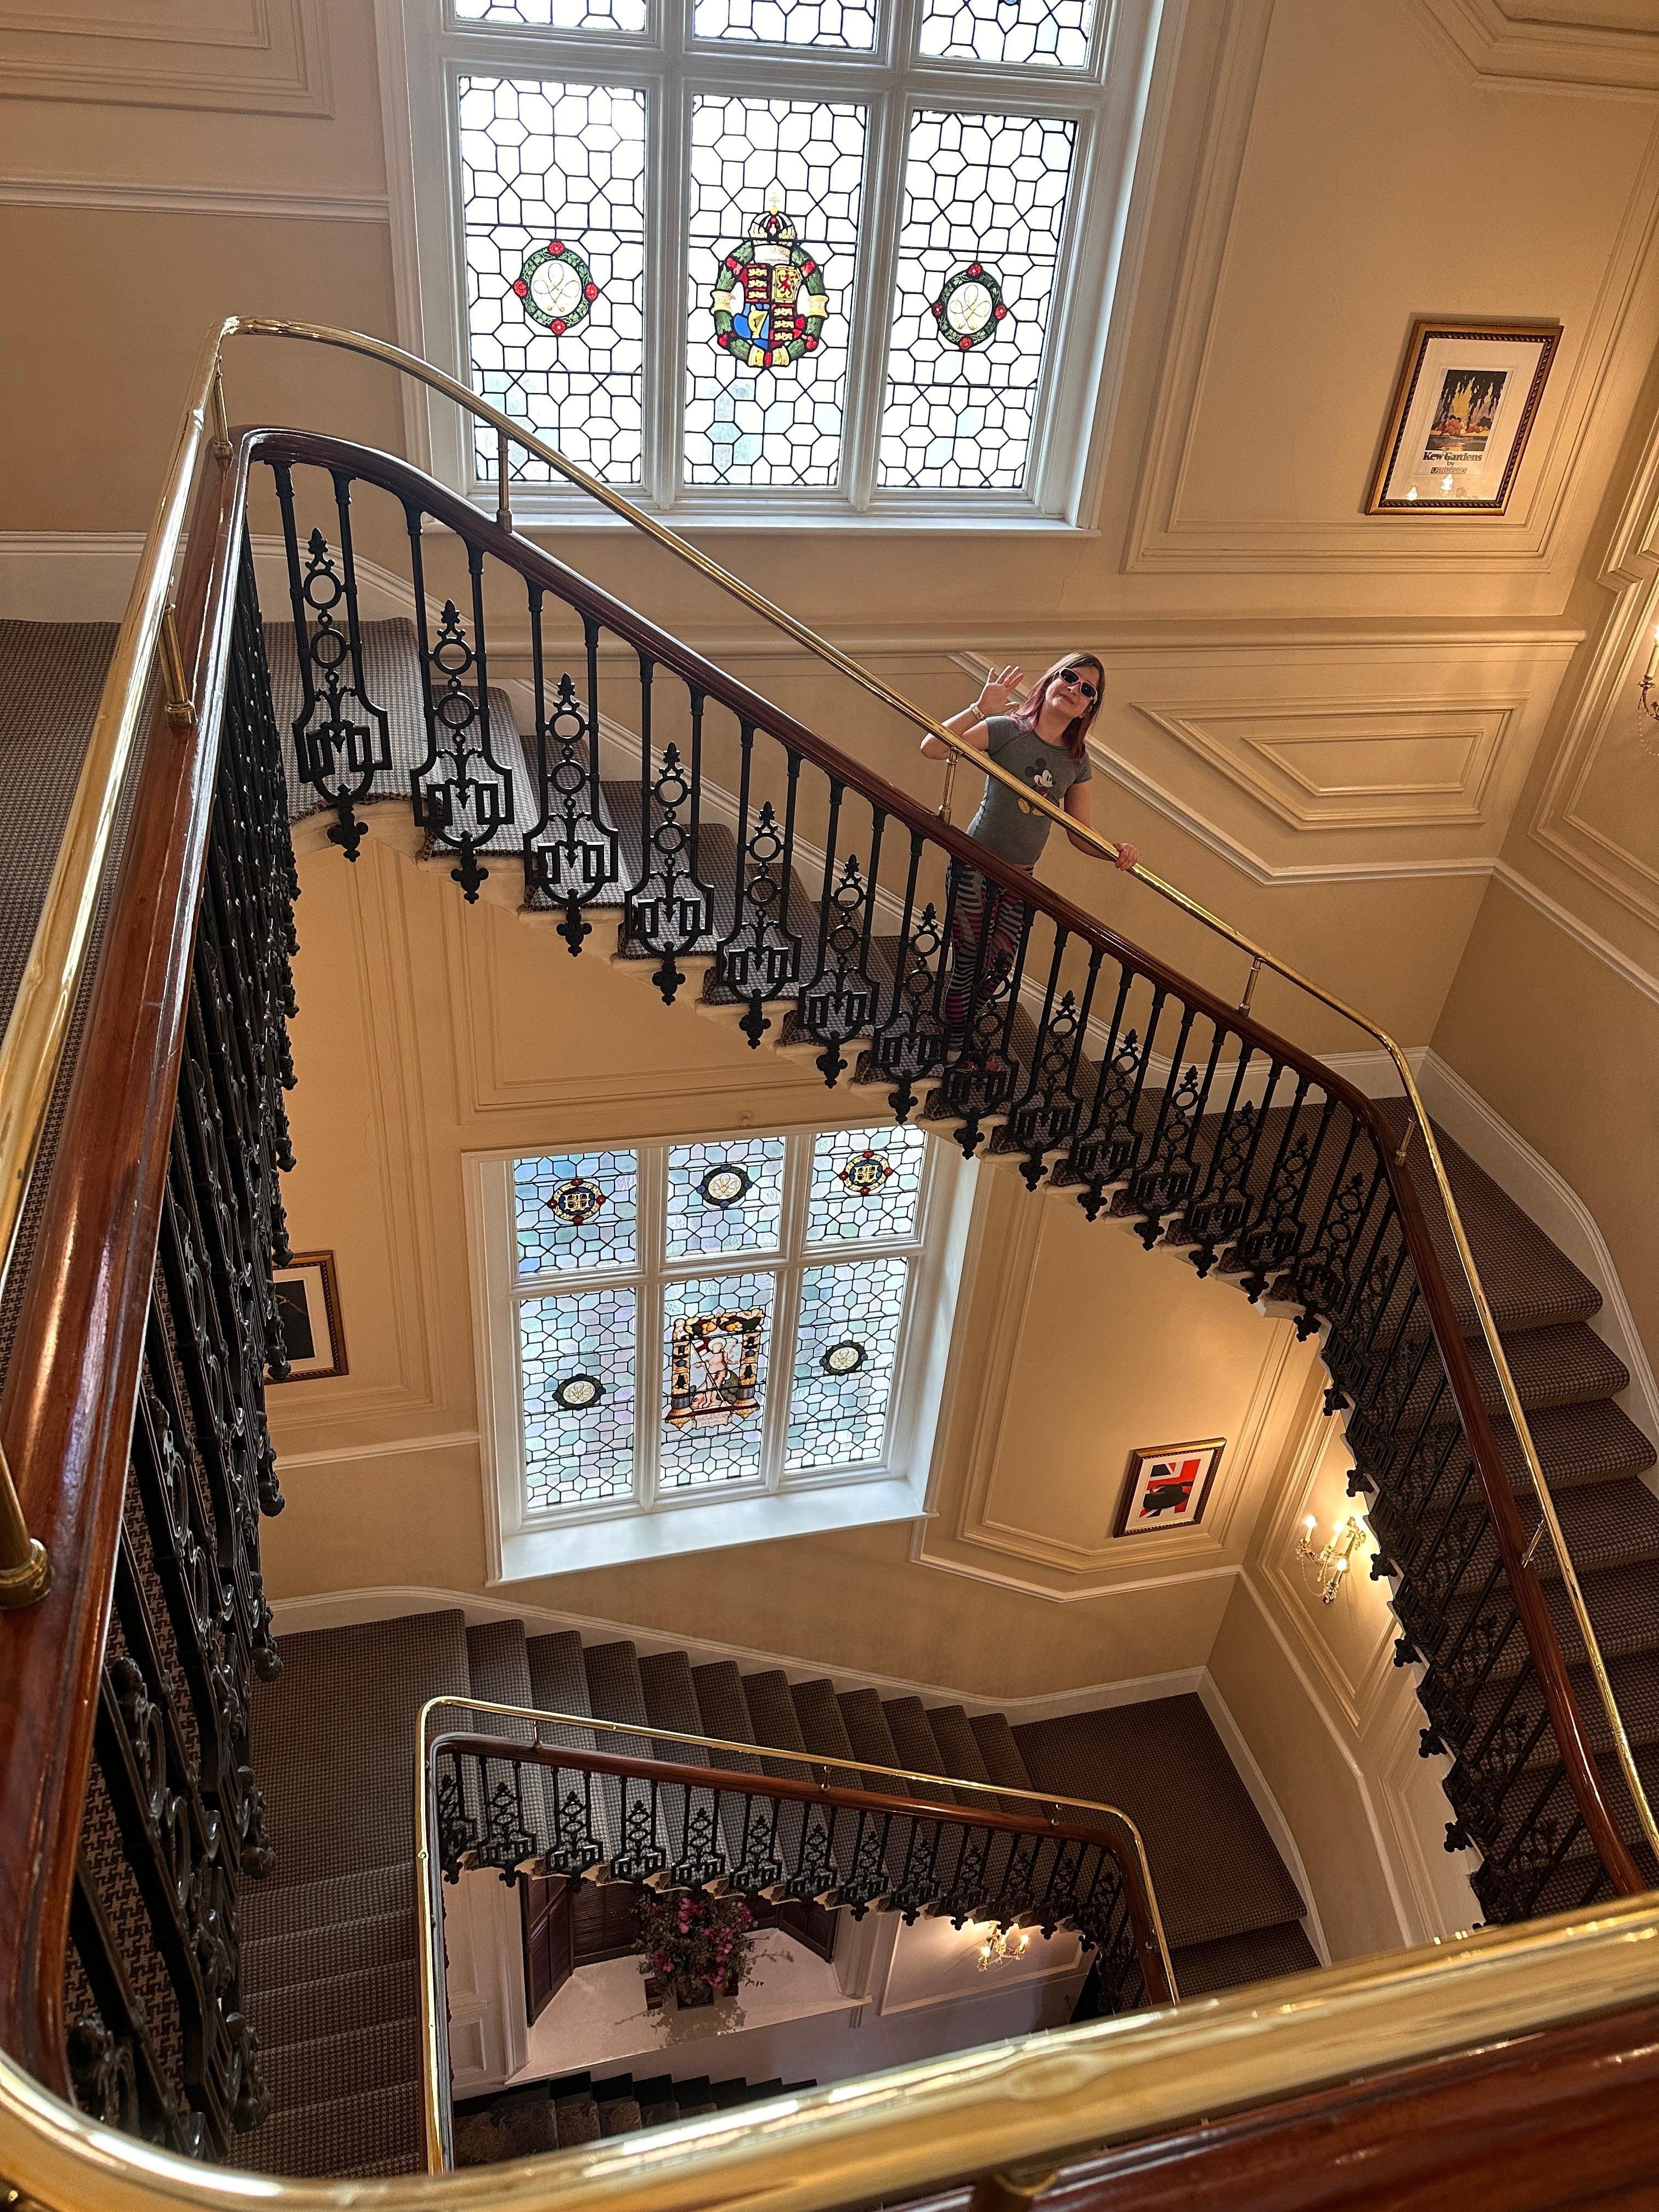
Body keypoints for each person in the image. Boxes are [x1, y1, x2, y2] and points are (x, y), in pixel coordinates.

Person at [919, 656, 1138, 1048]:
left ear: (1090, 706)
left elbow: (1079, 832)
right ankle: (954, 1047)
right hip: (975, 866)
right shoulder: (1006, 730)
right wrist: (979, 710)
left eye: (1087, 689)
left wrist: (1114, 851)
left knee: (998, 968)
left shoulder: (1077, 761)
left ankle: (951, 1032)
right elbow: (933, 749)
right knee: (970, 960)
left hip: (1021, 880)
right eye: (1070, 678)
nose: (1075, 689)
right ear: (1052, 681)